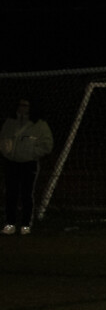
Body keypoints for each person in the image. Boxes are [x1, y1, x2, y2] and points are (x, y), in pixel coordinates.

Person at [1, 98, 52, 235]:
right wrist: (7, 152)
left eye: (25, 105)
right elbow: (3, 139)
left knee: (26, 194)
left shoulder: (39, 124)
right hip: (12, 162)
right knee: (11, 193)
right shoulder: (10, 122)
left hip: (29, 163)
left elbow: (47, 144)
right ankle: (10, 223)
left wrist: (32, 153)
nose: (22, 108)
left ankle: (25, 224)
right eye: (20, 105)